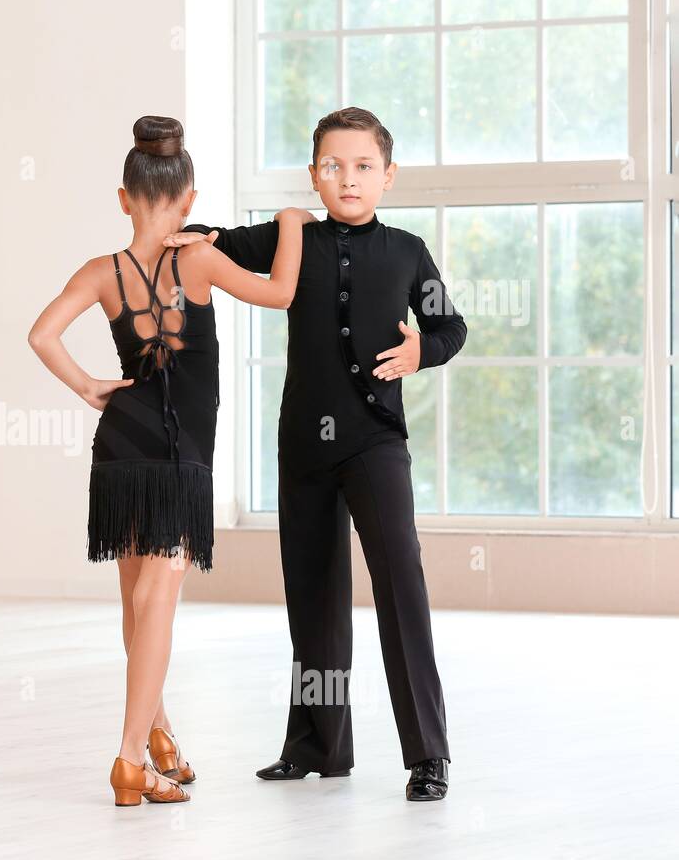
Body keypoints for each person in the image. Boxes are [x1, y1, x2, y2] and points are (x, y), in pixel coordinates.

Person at [167, 106, 467, 801]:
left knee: (401, 585)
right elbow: (223, 243)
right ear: (314, 174)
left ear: (387, 176)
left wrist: (424, 350)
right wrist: (193, 233)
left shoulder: (407, 251)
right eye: (333, 165)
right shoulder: (286, 234)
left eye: (363, 166)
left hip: (375, 443)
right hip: (303, 442)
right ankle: (316, 746)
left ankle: (428, 753)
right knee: (313, 596)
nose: (348, 178)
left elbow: (449, 325)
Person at [28, 115, 310, 806]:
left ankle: (158, 737)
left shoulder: (101, 272)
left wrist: (90, 385)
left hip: (122, 441)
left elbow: (41, 334)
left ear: (124, 198)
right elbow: (281, 291)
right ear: (188, 201)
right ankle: (129, 757)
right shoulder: (199, 259)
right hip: (180, 446)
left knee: (136, 600)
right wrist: (293, 221)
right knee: (159, 599)